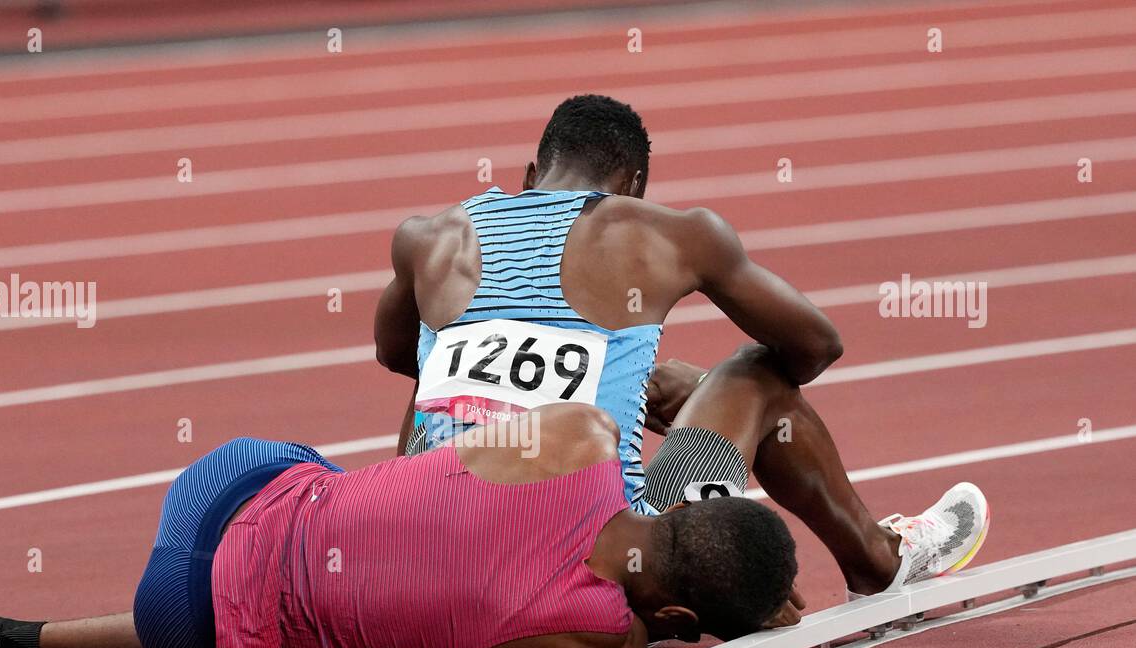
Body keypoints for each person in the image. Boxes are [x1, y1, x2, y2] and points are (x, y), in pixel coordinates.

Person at [373, 92, 987, 599]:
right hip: (605, 556)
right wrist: (679, 391)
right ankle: (879, 559)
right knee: (756, 371)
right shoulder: (673, 233)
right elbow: (815, 347)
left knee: (434, 376)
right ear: (634, 186)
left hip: (437, 551)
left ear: (530, 175)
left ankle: (422, 545)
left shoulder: (431, 236)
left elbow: (394, 354)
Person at [0, 402, 799, 648]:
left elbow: (439, 451)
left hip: (231, 477)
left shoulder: (588, 432)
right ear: (676, 613)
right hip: (183, 621)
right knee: (282, 632)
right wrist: (695, 628)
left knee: (302, 537)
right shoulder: (611, 644)